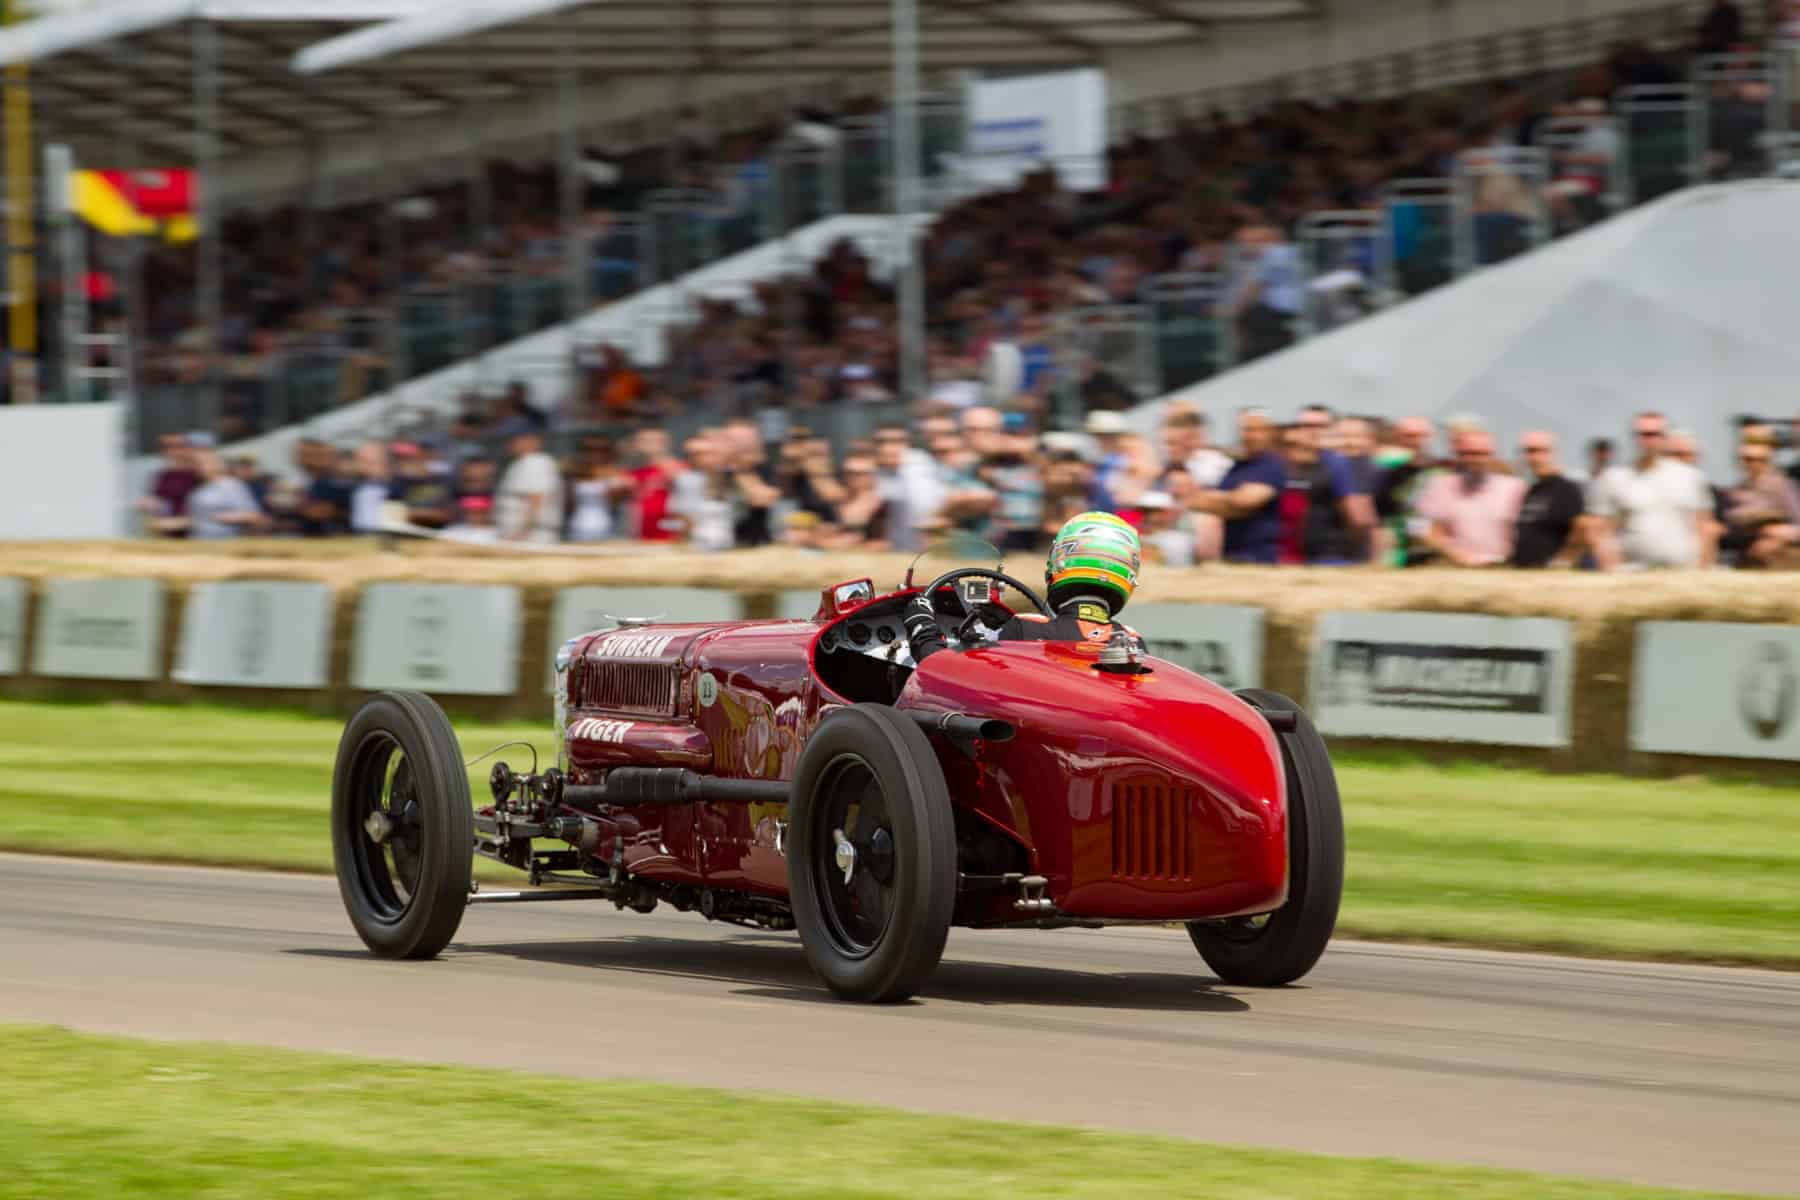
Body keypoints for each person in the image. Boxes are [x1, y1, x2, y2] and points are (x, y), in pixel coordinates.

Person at [904, 511, 1141, 663]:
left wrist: (921, 623)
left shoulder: (1026, 629)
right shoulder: (1132, 643)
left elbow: (941, 672)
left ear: (1059, 562)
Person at [1588, 411, 1715, 569]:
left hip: (1684, 573)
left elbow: (1705, 527)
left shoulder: (1691, 477)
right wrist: (1610, 568)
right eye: (1642, 434)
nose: (1648, 440)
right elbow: (1600, 529)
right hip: (1632, 574)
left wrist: (1704, 569)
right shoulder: (1613, 478)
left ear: (1666, 437)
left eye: (1655, 434)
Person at [1412, 428, 1528, 566]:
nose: (1477, 459)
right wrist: (1456, 554)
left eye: (1483, 453)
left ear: (1493, 454)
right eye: (1469, 453)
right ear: (1457, 455)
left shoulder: (1516, 488)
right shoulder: (1439, 485)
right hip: (1455, 570)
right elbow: (1418, 527)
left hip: (1503, 569)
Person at [1188, 410, 1285, 564]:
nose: (1250, 435)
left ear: (1270, 433)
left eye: (1257, 430)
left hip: (1262, 557)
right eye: (1246, 430)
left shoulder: (1274, 465)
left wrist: (1218, 501)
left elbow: (1245, 502)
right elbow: (1197, 502)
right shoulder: (1236, 467)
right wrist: (1229, 501)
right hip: (1231, 555)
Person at [1509, 431, 1587, 568]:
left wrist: (1562, 561)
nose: (1533, 457)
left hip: (1551, 576)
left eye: (1539, 450)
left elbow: (1583, 530)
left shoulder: (1567, 489)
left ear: (1553, 453)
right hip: (1523, 572)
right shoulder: (1532, 489)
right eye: (1528, 451)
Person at [1722, 431, 1800, 567]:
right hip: (1746, 556)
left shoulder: (1781, 486)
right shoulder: (1737, 490)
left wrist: (1779, 537)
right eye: (1747, 459)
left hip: (1779, 558)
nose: (1753, 464)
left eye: (1760, 459)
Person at [496, 427, 564, 544]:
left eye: (516, 440)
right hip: (522, 534)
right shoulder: (522, 462)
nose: (511, 443)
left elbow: (537, 498)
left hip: (533, 536)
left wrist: (522, 533)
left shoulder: (535, 462)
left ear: (534, 441)